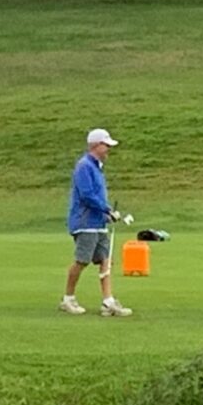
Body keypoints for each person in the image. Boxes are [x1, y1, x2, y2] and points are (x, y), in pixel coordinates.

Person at [61, 127, 132, 318]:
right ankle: (68, 298)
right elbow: (87, 195)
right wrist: (107, 209)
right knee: (82, 260)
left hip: (97, 222)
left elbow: (96, 196)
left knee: (105, 260)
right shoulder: (84, 166)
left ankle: (108, 301)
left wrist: (106, 214)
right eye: (106, 145)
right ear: (96, 145)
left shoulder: (96, 168)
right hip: (85, 222)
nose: (108, 149)